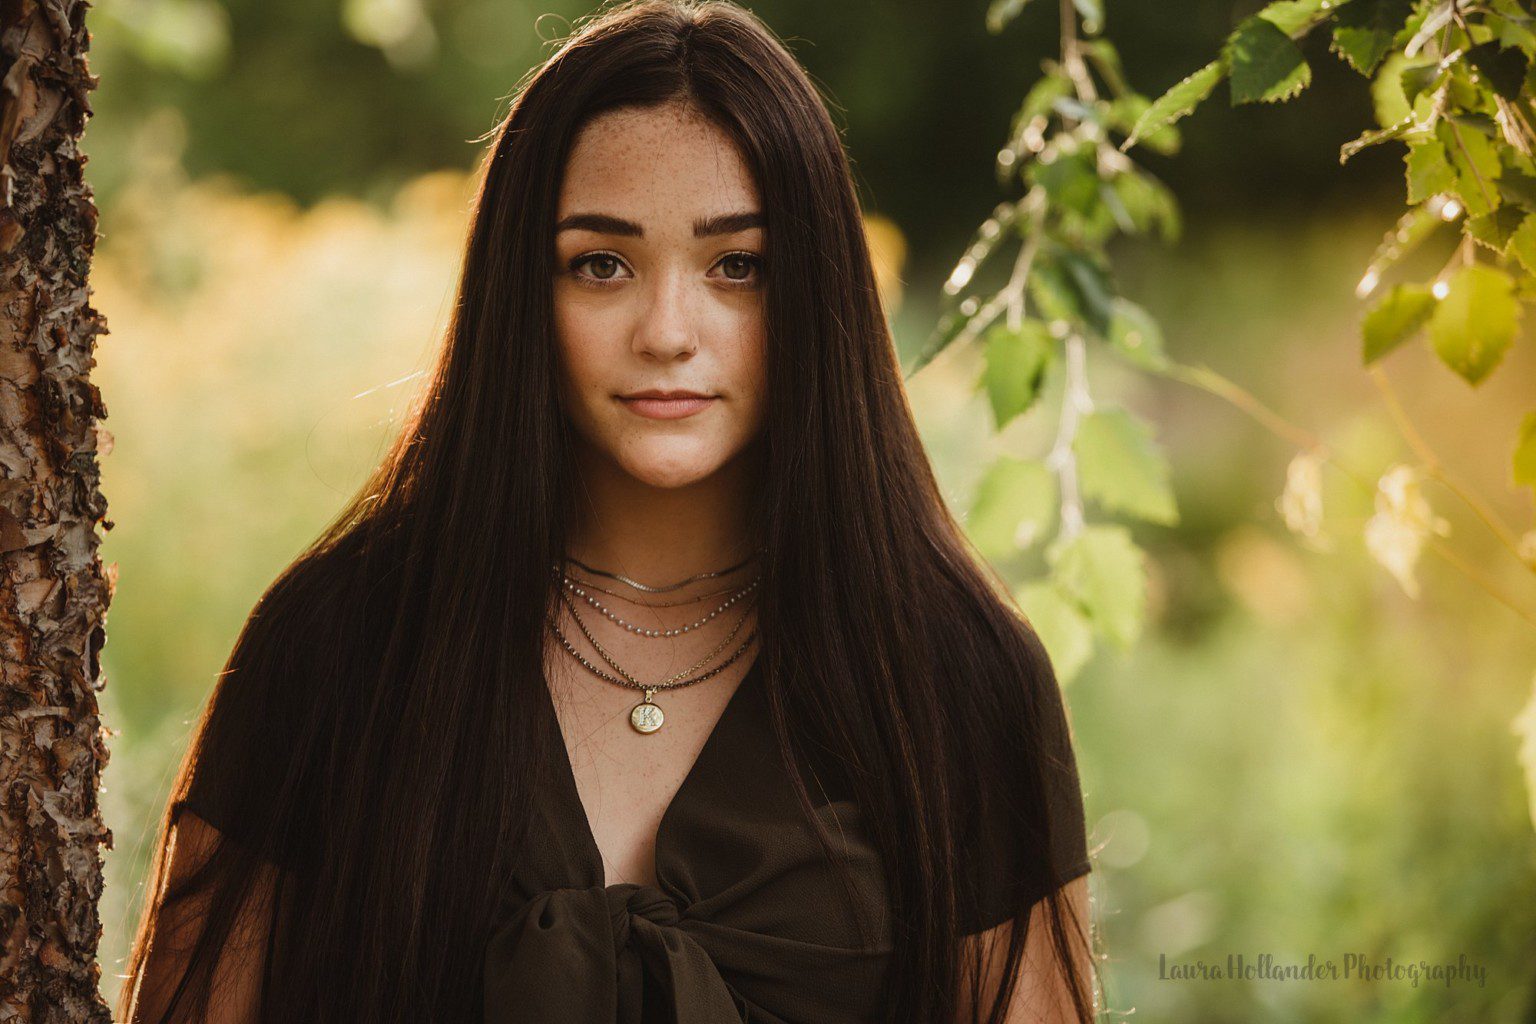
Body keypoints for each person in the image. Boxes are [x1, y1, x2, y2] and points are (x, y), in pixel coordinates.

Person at [119, 1, 1098, 1021]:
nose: (668, 331)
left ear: (817, 294)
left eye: (739, 266)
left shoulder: (957, 679)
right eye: (601, 264)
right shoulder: (337, 646)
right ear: (520, 292)